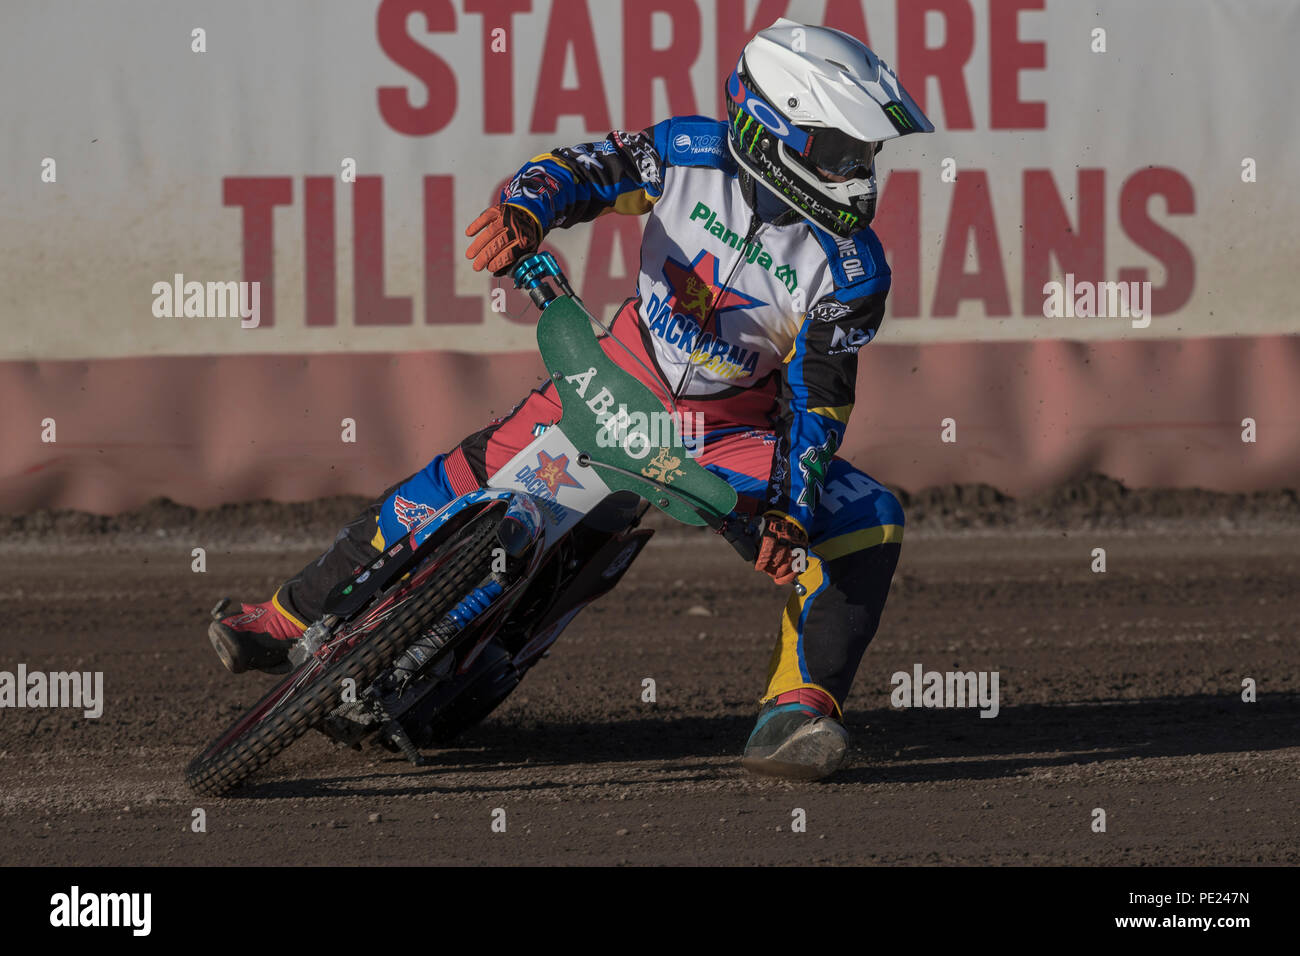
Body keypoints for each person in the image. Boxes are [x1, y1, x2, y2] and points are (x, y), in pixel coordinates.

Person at [207, 18, 934, 780]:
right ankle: (286, 613)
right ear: (767, 128)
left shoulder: (856, 271)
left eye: (866, 154)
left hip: (727, 431)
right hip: (610, 374)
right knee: (458, 475)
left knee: (867, 517)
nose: (858, 173)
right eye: (841, 150)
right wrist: (526, 211)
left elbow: (820, 397)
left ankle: (796, 715)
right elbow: (581, 170)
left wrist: (791, 505)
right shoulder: (687, 151)